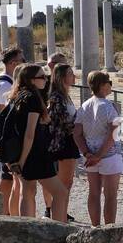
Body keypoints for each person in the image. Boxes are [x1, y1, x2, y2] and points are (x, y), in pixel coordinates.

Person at [3, 63, 68, 220]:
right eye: (41, 77)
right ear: (31, 80)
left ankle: (26, 228)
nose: (45, 79)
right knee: (60, 192)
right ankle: (59, 230)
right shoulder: (32, 98)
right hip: (34, 153)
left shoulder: (16, 96)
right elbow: (29, 133)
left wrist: (17, 160)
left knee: (28, 191)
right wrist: (22, 162)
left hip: (20, 152)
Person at [73, 71, 123, 225]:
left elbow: (77, 134)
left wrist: (87, 153)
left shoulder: (84, 106)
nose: (111, 86)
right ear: (103, 85)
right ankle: (109, 228)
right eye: (109, 82)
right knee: (110, 196)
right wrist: (100, 155)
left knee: (93, 193)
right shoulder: (108, 106)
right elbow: (114, 132)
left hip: (90, 155)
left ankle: (95, 226)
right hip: (109, 155)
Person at [45, 64, 81, 220]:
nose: (74, 76)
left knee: (68, 183)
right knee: (63, 184)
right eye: (70, 73)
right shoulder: (57, 98)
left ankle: (62, 216)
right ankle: (59, 218)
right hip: (63, 143)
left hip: (69, 142)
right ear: (61, 77)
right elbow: (62, 123)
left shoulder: (66, 95)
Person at [0, 48, 24, 214]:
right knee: (10, 178)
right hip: (8, 138)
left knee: (8, 179)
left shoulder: (8, 82)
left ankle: (2, 210)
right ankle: (4, 211)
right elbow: (2, 112)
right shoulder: (4, 84)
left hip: (8, 137)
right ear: (13, 63)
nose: (24, 62)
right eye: (22, 59)